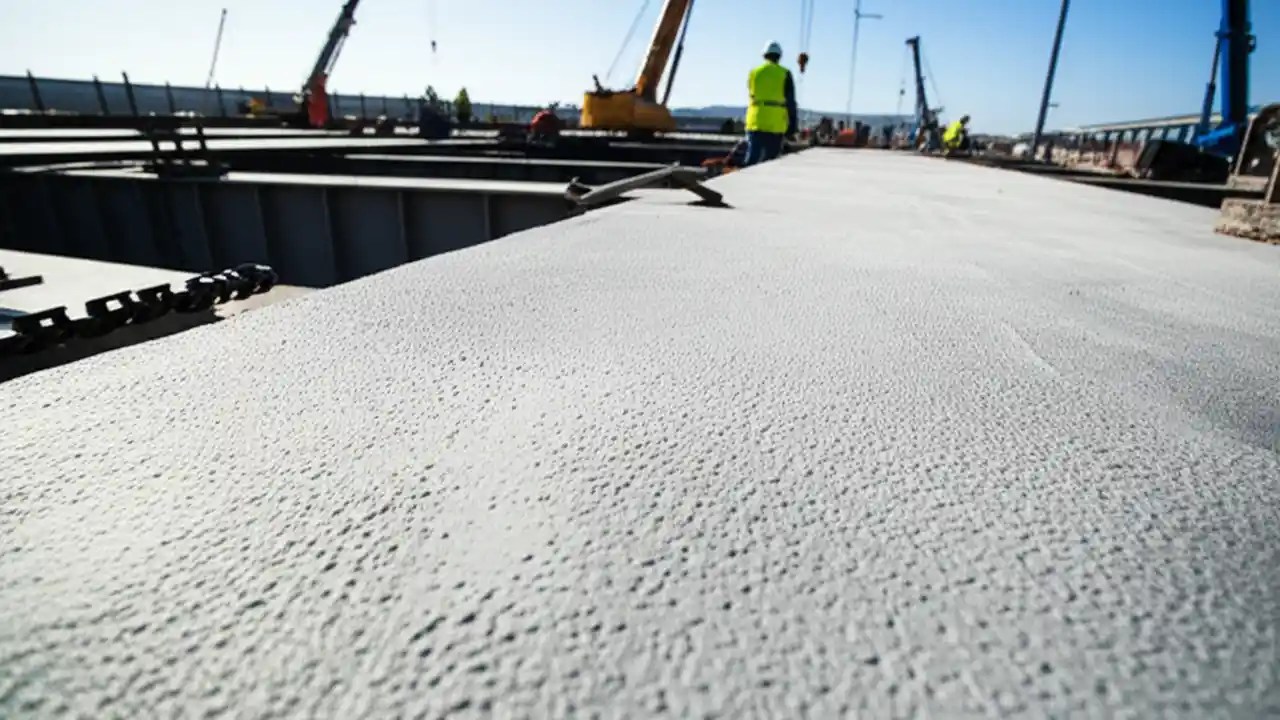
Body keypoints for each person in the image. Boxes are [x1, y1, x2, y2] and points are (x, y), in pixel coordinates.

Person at [744, 41, 798, 167]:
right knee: (770, 162)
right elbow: (791, 102)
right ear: (779, 57)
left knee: (752, 158)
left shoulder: (754, 72)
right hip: (775, 123)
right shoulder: (785, 73)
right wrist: (793, 126)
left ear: (764, 55)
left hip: (755, 120)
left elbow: (751, 92)